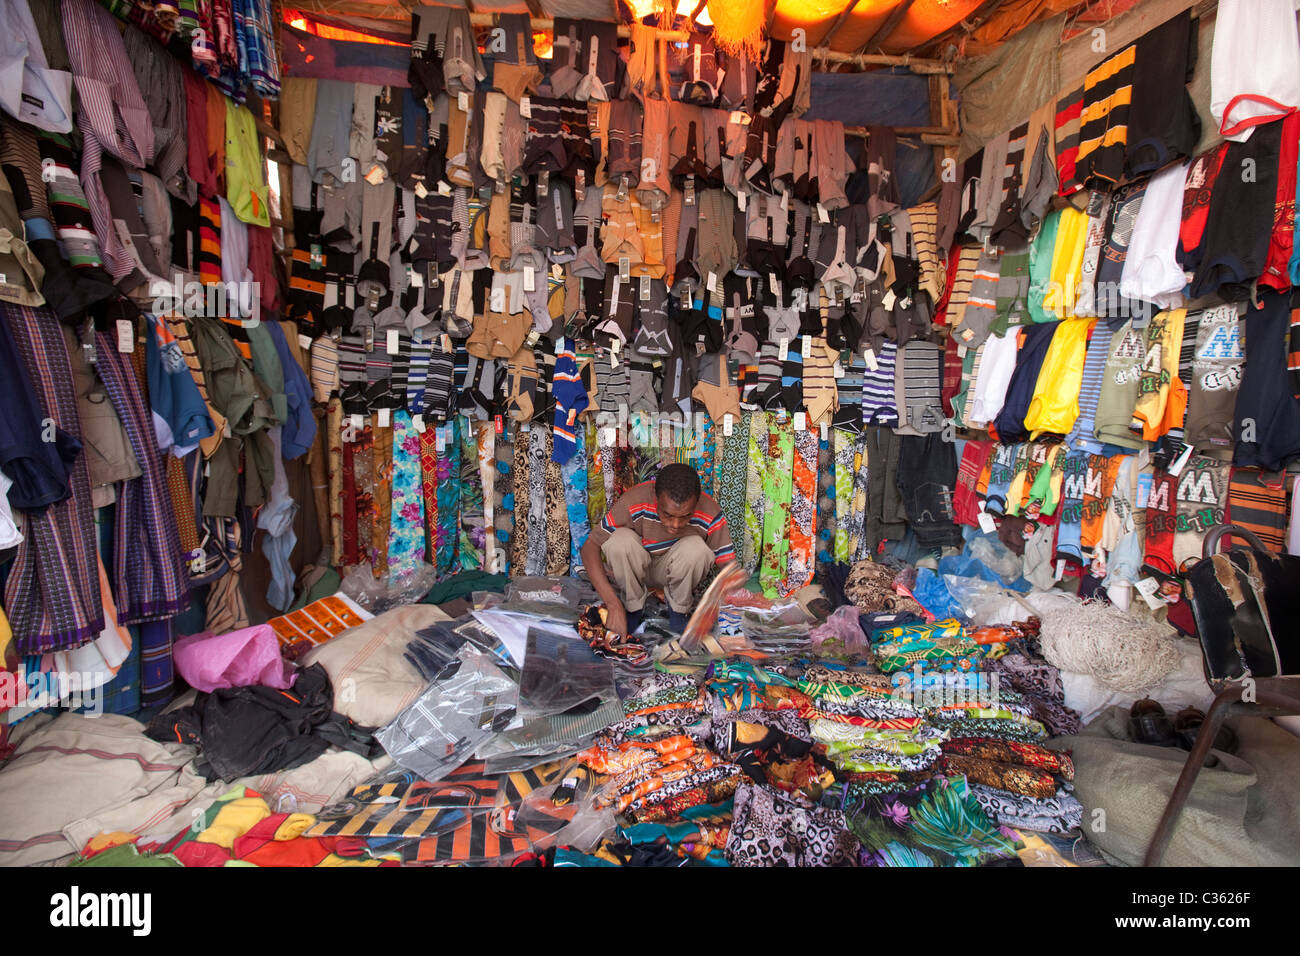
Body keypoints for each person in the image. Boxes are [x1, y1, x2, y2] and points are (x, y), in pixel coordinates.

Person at [580, 462, 738, 637]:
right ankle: (633, 609)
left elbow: (727, 566)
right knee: (620, 540)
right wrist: (613, 604)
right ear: (655, 498)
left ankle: (679, 611)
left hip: (674, 575)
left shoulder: (710, 510)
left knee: (697, 549)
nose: (675, 525)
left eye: (686, 516)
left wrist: (734, 603)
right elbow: (589, 548)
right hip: (638, 571)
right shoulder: (634, 500)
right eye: (668, 515)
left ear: (697, 502)